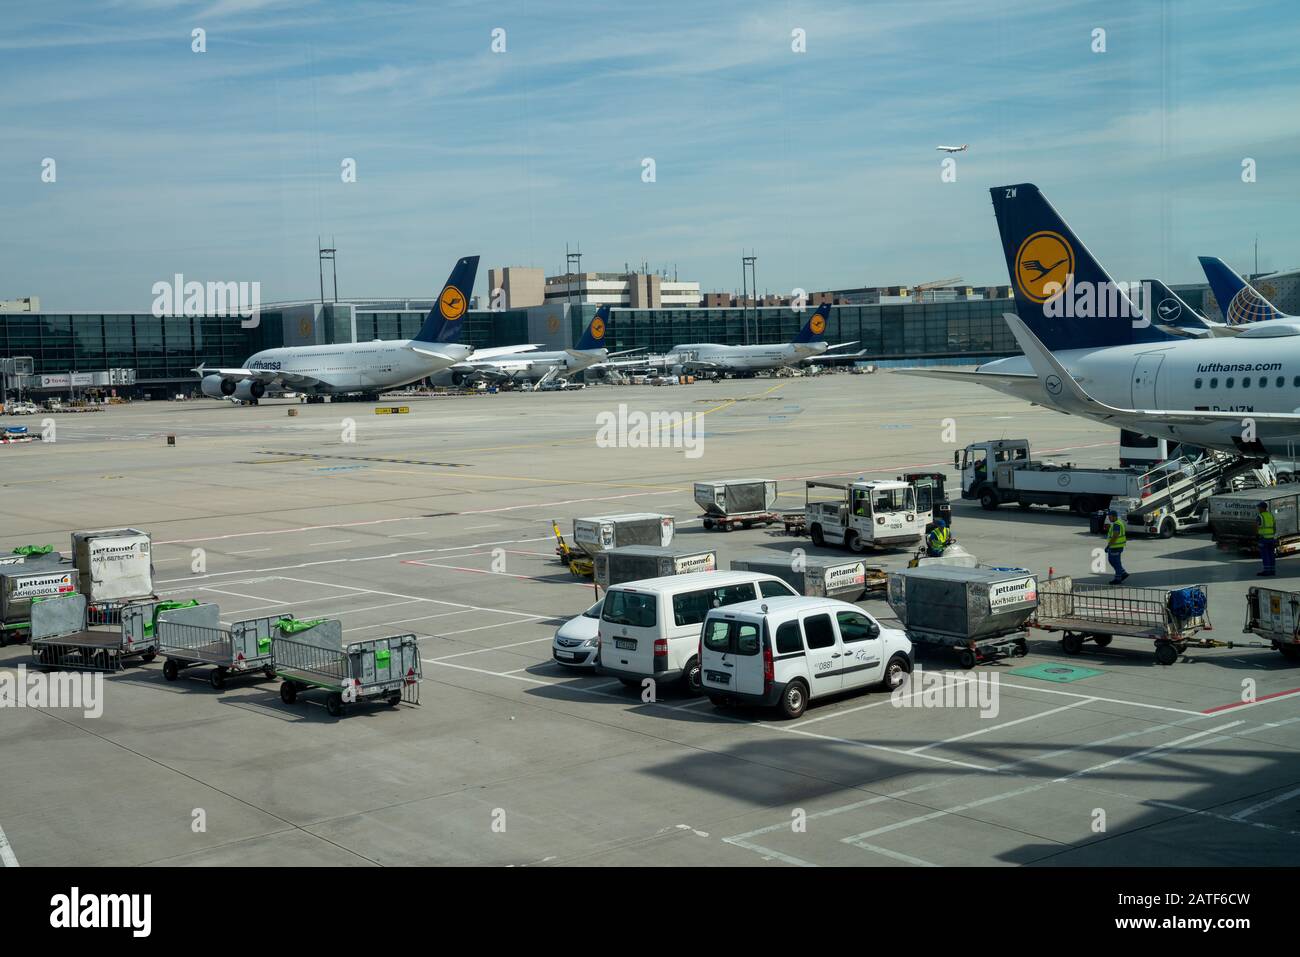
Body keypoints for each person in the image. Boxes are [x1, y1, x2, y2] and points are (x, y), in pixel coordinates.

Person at [1105, 509, 1128, 584]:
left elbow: (1115, 536)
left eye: (1110, 517)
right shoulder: (1117, 523)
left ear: (1115, 517)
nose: (1109, 518)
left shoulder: (1116, 524)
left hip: (1116, 547)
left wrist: (1108, 546)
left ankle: (1118, 579)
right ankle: (1123, 573)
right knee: (1112, 561)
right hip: (1116, 546)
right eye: (1108, 517)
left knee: (1116, 562)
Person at [1257, 500, 1277, 577]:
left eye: (1259, 507)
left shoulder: (1260, 516)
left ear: (1262, 508)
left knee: (1265, 555)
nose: (1258, 509)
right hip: (1271, 538)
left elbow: (1257, 527)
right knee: (1271, 554)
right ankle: (1272, 570)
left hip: (1263, 538)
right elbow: (1274, 527)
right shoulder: (1271, 515)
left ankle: (1267, 571)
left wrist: (1257, 535)